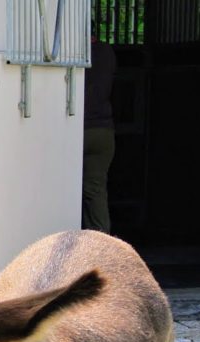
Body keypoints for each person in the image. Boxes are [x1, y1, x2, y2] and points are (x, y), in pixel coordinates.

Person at [82, 37, 116, 232]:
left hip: (78, 130)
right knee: (95, 192)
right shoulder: (107, 52)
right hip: (104, 131)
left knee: (62, 185)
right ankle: (102, 244)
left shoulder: (72, 53)